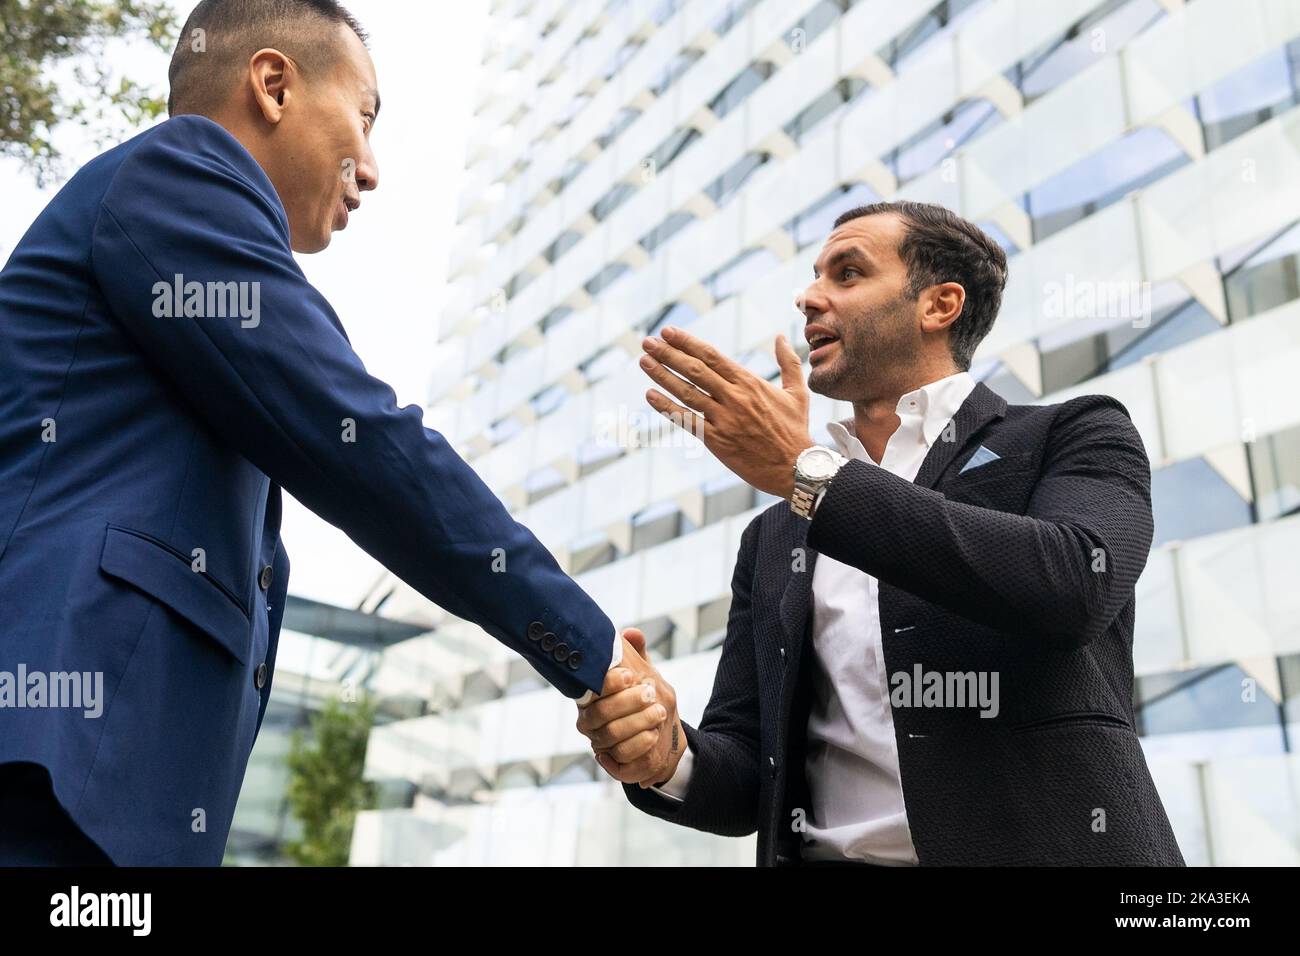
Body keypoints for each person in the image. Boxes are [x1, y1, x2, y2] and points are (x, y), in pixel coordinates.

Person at [0, 0, 649, 866]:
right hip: (44, 778)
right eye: (367, 118)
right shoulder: (180, 175)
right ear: (273, 85)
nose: (373, 170)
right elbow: (360, 441)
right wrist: (593, 648)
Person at [576, 200, 1185, 867]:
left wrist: (808, 476)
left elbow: (1070, 586)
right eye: (814, 277)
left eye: (848, 273)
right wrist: (662, 752)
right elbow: (751, 774)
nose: (808, 297)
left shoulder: (1073, 434)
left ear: (939, 304)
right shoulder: (774, 535)